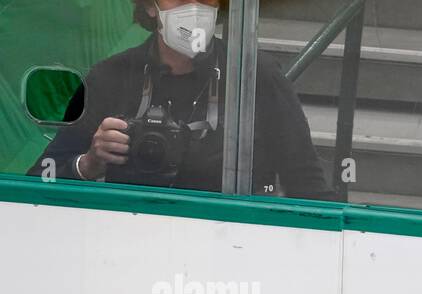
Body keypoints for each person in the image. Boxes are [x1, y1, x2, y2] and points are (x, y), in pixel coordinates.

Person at [29, 0, 331, 200]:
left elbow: (308, 183)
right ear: (150, 7)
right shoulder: (110, 76)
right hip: (126, 241)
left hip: (229, 245)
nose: (195, 6)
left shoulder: (255, 77)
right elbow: (40, 180)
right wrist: (88, 163)